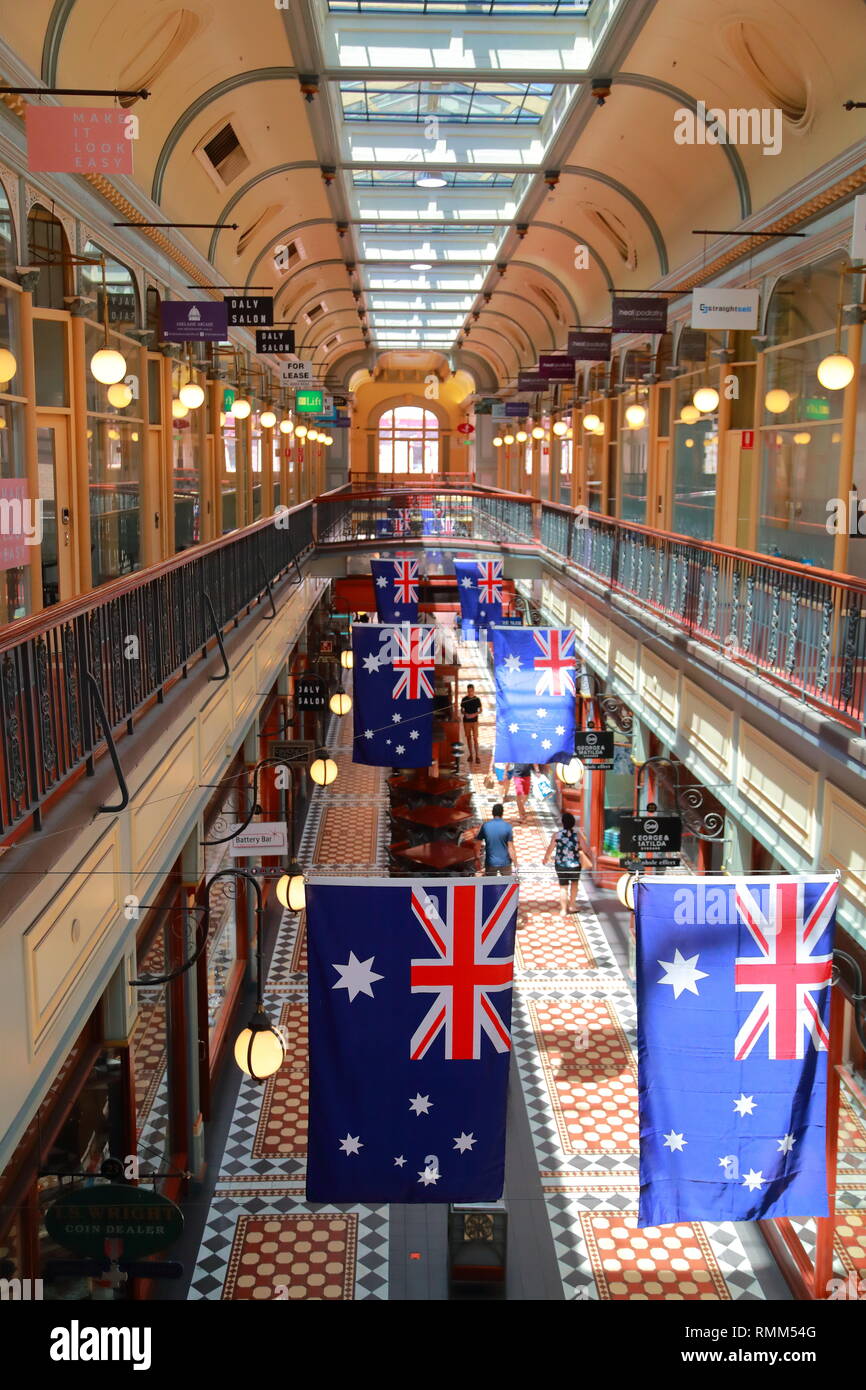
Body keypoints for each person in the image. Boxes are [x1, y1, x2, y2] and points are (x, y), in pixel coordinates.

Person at [542, 811, 590, 917]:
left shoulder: (557, 835)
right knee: (574, 884)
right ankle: (572, 905)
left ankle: (563, 910)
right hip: (575, 865)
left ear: (563, 823)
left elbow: (550, 848)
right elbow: (586, 849)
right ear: (573, 823)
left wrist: (546, 858)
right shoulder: (577, 835)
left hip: (561, 865)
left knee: (563, 887)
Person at [467, 803, 516, 876]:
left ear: (492, 813)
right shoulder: (508, 827)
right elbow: (511, 848)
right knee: (507, 884)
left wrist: (476, 859)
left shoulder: (485, 826)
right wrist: (515, 863)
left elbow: (477, 846)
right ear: (502, 813)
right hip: (505, 862)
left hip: (491, 862)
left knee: (490, 885)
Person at [460, 683, 482, 764]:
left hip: (475, 722)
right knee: (468, 738)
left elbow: (480, 710)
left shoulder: (477, 699)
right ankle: (471, 755)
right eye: (469, 691)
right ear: (467, 691)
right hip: (466, 721)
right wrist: (465, 713)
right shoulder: (464, 699)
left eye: (471, 691)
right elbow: (461, 710)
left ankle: (477, 756)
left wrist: (474, 714)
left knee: (475, 739)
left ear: (474, 690)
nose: (470, 692)